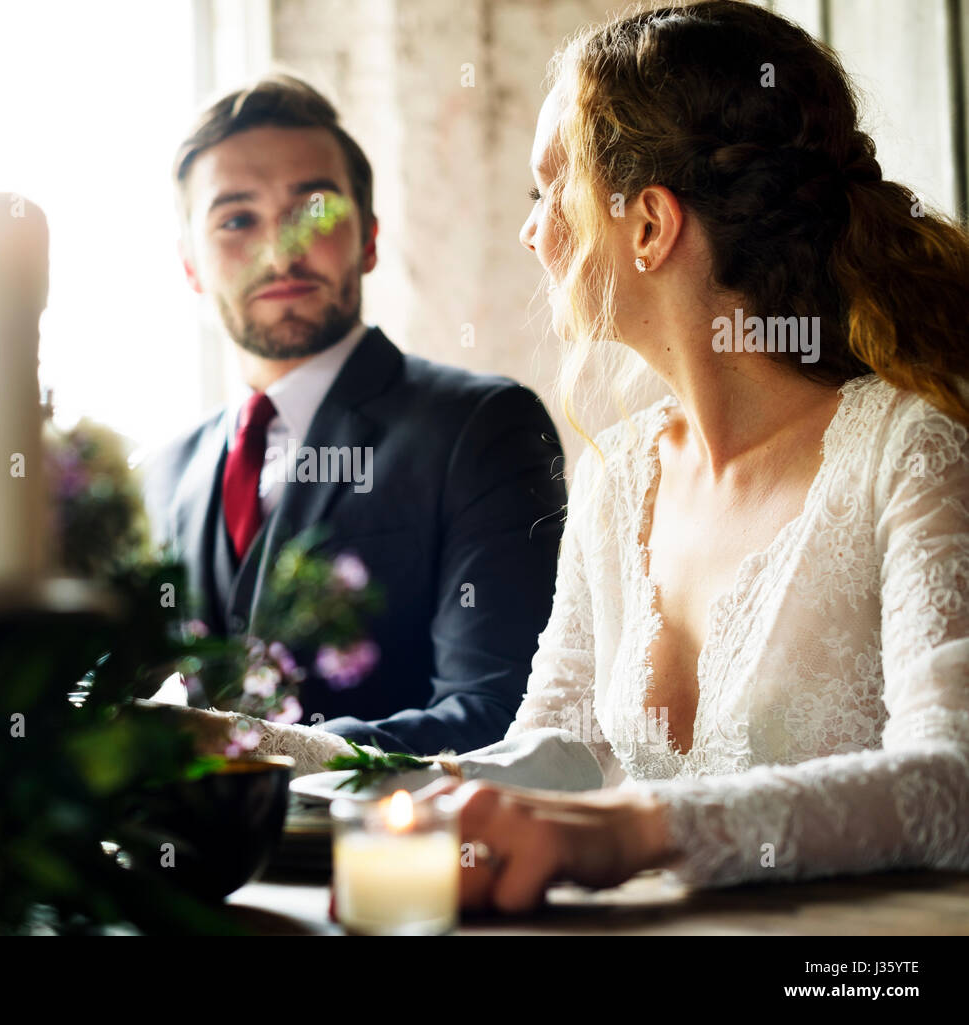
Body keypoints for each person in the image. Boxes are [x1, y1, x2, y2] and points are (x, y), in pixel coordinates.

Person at [226, 0, 969, 909]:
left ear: (649, 225)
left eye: (551, 188)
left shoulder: (909, 452)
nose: (533, 230)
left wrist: (635, 828)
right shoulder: (618, 475)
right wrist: (245, 743)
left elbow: (952, 783)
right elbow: (544, 753)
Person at [140, 74, 567, 756]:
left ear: (368, 238)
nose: (280, 251)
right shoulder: (161, 474)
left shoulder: (485, 426)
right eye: (237, 219)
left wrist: (260, 750)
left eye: (315, 209)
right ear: (190, 264)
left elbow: (504, 718)